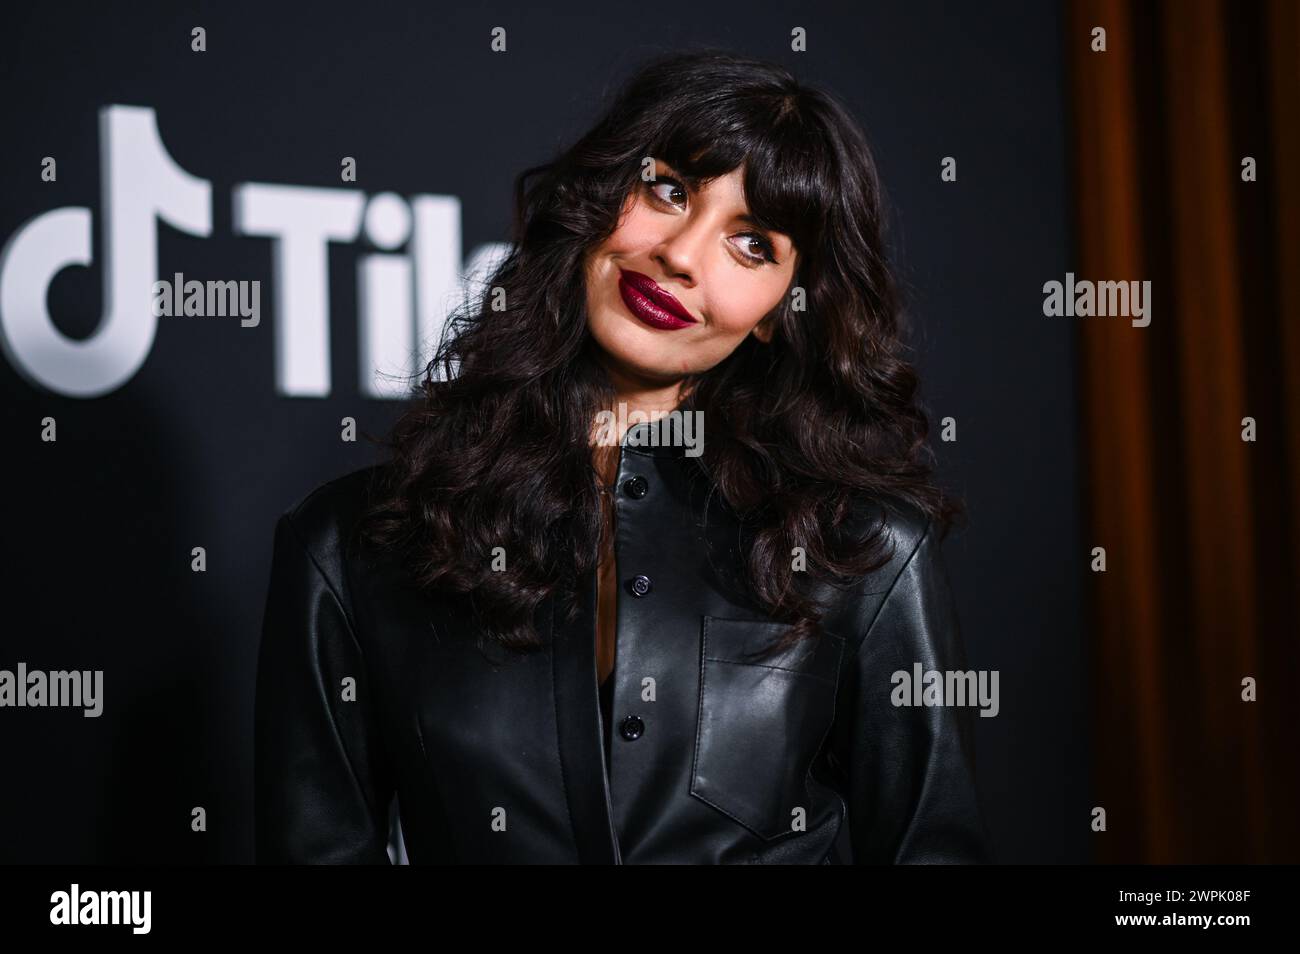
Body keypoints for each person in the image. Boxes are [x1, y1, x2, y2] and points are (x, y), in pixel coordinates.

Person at [254, 47, 991, 864]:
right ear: (598, 194)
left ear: (785, 310)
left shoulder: (863, 553)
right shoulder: (352, 547)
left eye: (753, 244)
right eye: (667, 190)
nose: (681, 254)